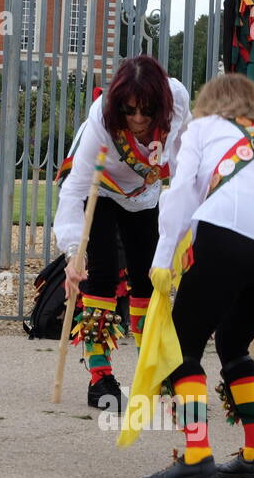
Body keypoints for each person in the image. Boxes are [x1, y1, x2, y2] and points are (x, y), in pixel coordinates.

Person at [138, 72, 254, 478]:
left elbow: (181, 194)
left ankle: (197, 454)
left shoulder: (202, 129)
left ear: (209, 103)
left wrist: (163, 258)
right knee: (233, 342)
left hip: (227, 234)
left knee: (183, 345)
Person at [54, 55, 191, 411]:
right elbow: (73, 189)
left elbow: (182, 153)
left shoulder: (177, 99)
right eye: (130, 112)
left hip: (143, 194)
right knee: (100, 275)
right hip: (99, 188)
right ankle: (100, 376)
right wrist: (73, 252)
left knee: (148, 280)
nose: (139, 120)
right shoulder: (101, 119)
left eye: (147, 111)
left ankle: (152, 371)